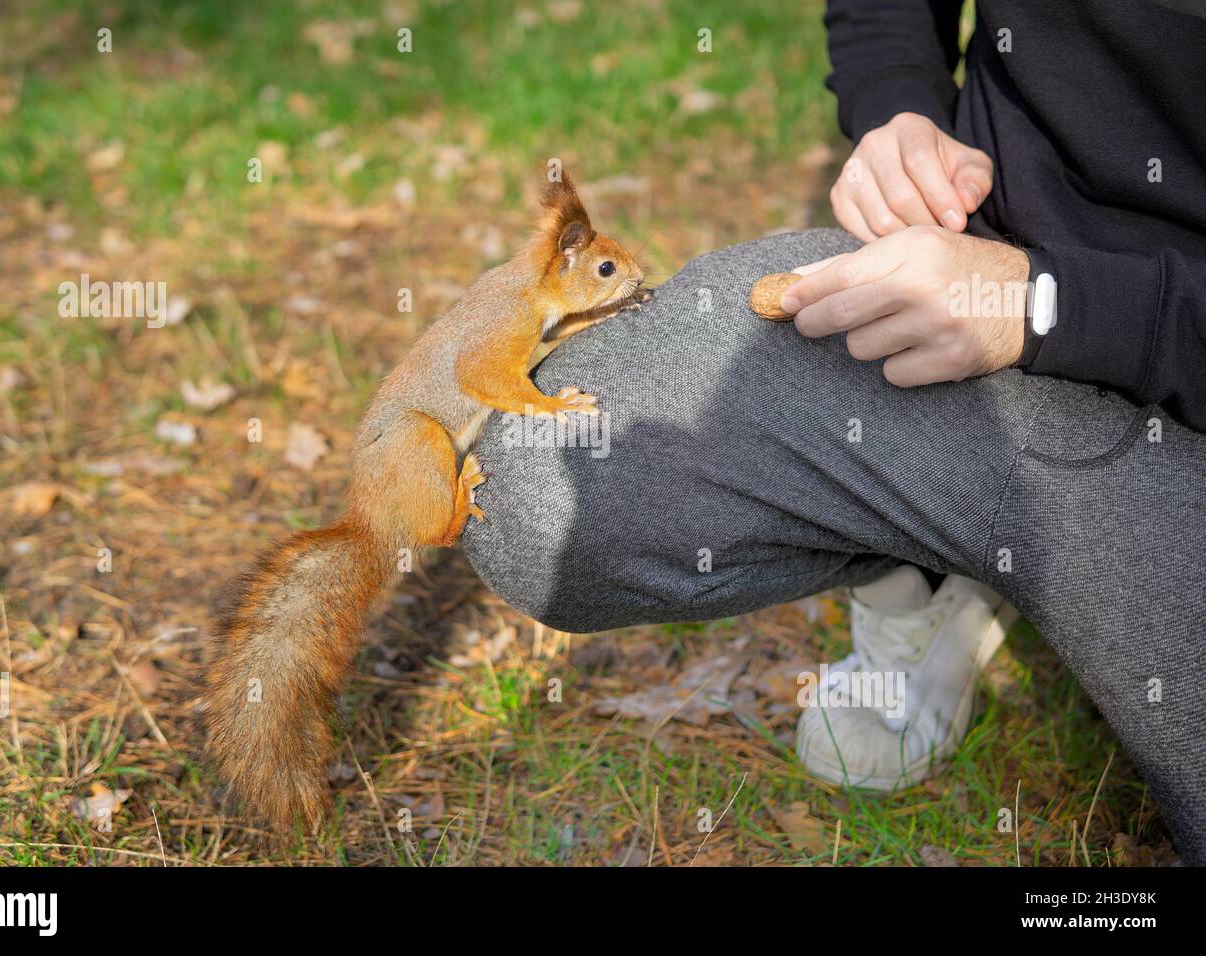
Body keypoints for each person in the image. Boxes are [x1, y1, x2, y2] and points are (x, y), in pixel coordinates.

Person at [462, 0, 1206, 862]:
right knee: (532, 485)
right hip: (977, 321)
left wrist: (1053, 307)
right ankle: (922, 568)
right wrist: (898, 109)